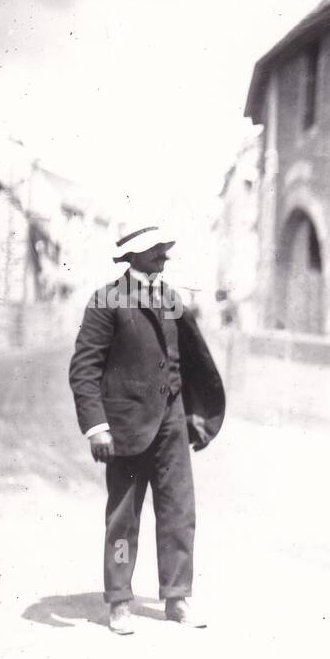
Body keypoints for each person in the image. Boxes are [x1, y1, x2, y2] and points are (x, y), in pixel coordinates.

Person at [68, 225, 225, 636]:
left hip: (172, 422)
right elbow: (84, 368)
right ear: (133, 255)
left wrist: (194, 412)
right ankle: (119, 601)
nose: (164, 256)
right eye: (156, 249)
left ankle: (177, 597)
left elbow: (189, 359)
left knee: (179, 510)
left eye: (165, 248)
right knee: (123, 517)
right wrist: (96, 426)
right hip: (125, 426)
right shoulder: (106, 300)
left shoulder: (170, 299)